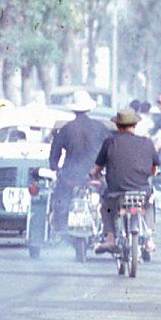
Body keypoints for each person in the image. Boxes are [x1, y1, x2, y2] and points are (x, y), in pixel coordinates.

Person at [92, 108, 159, 252]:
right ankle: (149, 240)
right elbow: (154, 169)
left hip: (116, 192)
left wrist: (91, 175)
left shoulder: (110, 143)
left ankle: (110, 238)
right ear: (135, 125)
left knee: (106, 206)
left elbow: (97, 168)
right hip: (141, 191)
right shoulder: (147, 142)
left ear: (117, 126)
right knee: (148, 205)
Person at [47, 91, 110, 229]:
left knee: (61, 200)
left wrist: (55, 168)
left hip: (71, 176)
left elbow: (54, 155)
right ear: (89, 109)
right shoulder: (100, 127)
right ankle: (108, 229)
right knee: (109, 198)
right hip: (95, 175)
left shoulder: (65, 129)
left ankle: (60, 227)